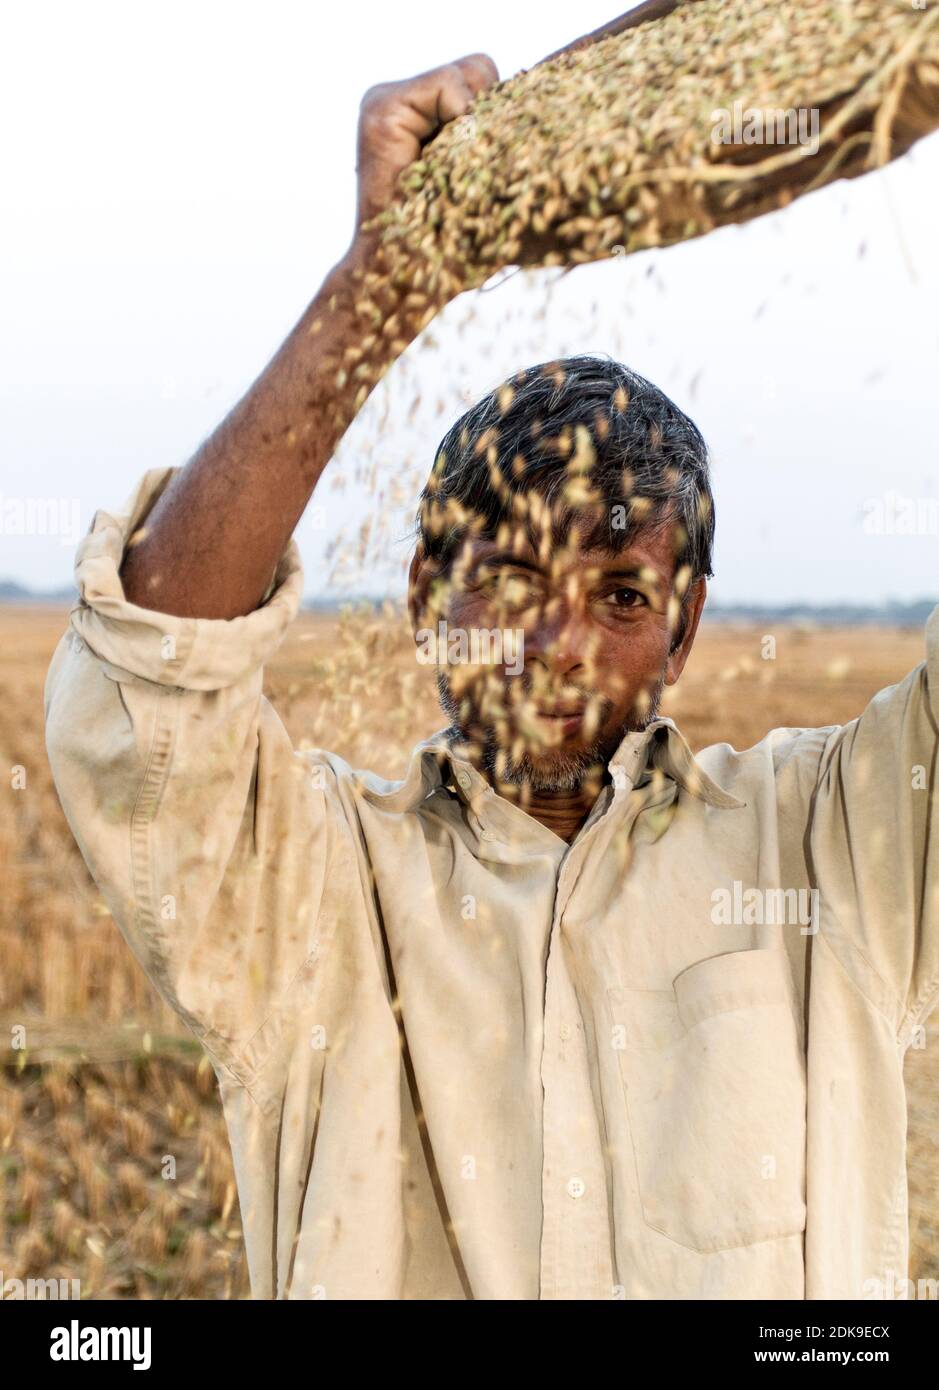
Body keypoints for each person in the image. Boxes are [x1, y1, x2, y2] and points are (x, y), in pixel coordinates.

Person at [44, 54, 938, 1301]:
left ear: (682, 636)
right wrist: (387, 280)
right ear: (425, 597)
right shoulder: (318, 893)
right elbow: (149, 670)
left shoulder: (829, 844)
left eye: (623, 595)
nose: (558, 643)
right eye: (511, 580)